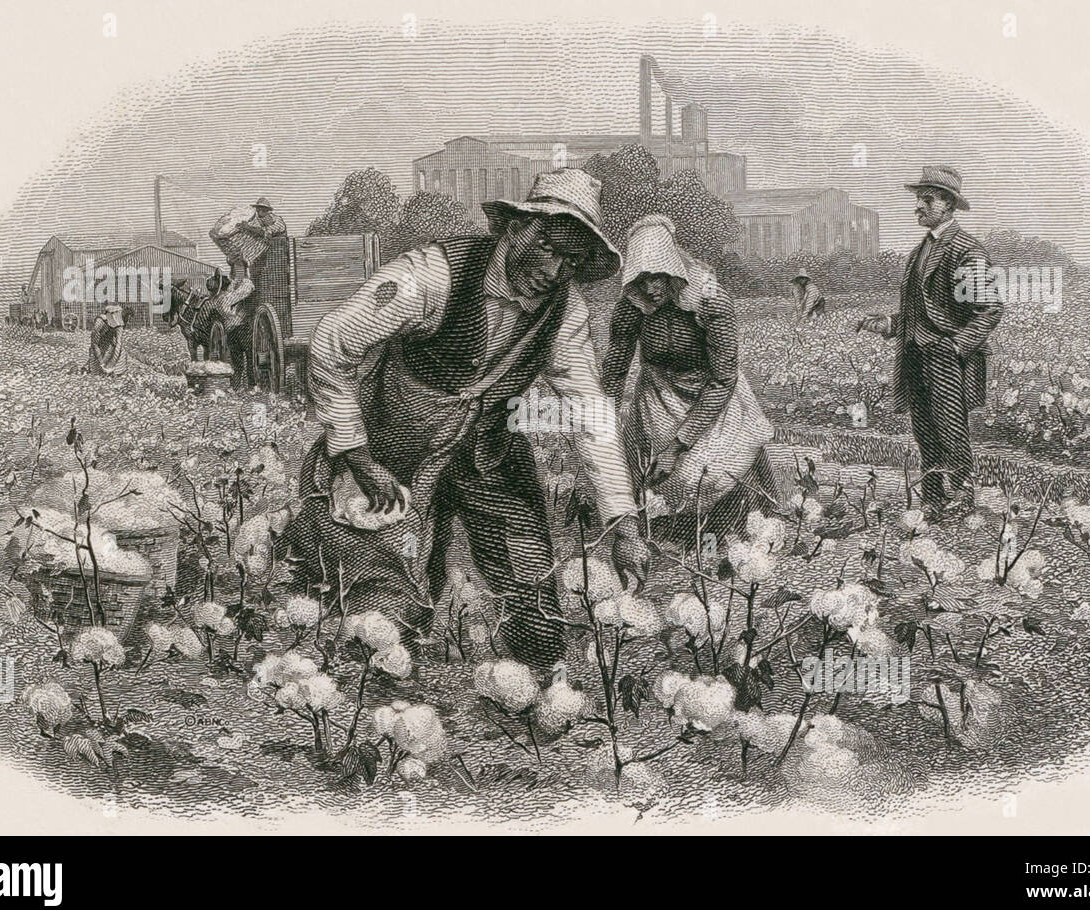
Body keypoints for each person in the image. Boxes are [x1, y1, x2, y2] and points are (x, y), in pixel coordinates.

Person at [298, 168, 650, 669]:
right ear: (516, 228)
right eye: (548, 248)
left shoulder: (564, 312)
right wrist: (357, 454)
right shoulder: (431, 275)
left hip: (487, 453)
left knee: (534, 600)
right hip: (392, 447)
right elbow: (333, 342)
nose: (553, 272)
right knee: (382, 604)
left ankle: (536, 687)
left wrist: (623, 522)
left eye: (570, 260)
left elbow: (588, 411)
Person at [601, 215, 777, 544]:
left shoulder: (711, 301)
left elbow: (723, 379)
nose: (650, 288)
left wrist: (677, 447)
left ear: (674, 271)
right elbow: (614, 370)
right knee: (638, 476)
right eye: (641, 279)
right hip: (656, 397)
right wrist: (601, 425)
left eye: (658, 276)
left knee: (712, 475)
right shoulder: (630, 308)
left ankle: (728, 531)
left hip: (714, 399)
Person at [855, 165, 1003, 519]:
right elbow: (921, 312)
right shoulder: (921, 248)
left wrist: (956, 347)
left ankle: (963, 501)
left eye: (927, 199)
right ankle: (934, 501)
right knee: (924, 431)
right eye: (918, 199)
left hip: (947, 359)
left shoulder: (966, 249)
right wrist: (888, 323)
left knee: (951, 429)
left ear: (948, 204)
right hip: (914, 355)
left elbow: (990, 308)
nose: (918, 206)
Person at [88, 305, 126, 375]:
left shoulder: (119, 324)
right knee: (97, 372)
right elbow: (94, 344)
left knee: (118, 371)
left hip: (111, 348)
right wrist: (101, 363)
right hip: (100, 348)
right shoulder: (99, 322)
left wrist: (112, 363)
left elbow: (118, 344)